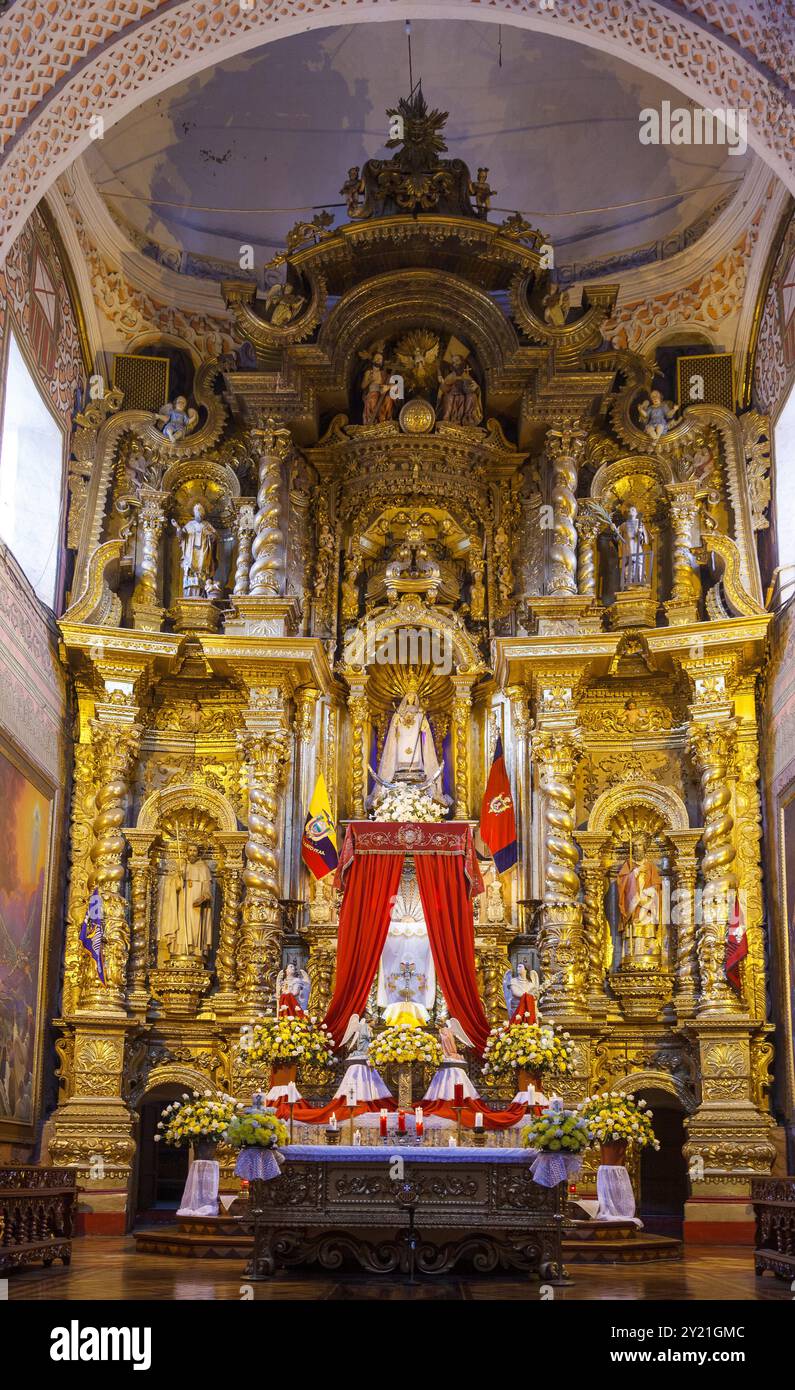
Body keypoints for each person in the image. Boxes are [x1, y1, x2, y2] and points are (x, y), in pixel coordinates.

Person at [159, 843, 213, 957]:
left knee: (195, 927)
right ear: (186, 852)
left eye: (194, 850)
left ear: (198, 853)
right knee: (182, 926)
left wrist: (203, 897)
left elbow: (207, 889)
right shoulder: (182, 867)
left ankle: (195, 951)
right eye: (190, 850)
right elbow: (175, 888)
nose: (192, 853)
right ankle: (180, 950)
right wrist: (178, 878)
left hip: (197, 905)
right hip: (183, 903)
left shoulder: (203, 868)